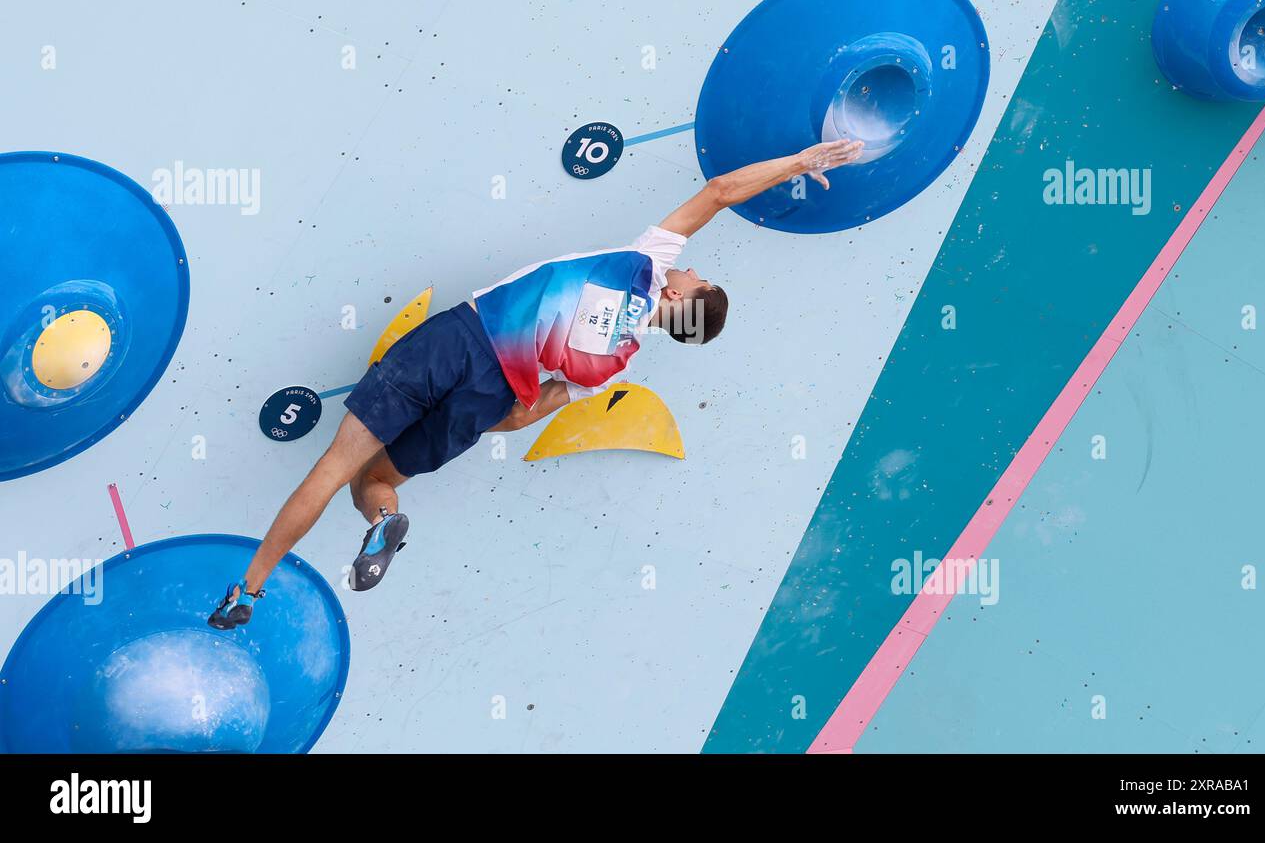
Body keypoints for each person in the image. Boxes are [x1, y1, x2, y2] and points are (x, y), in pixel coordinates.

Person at [208, 138, 863, 628]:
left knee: (330, 471)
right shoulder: (617, 360)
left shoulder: (643, 262)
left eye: (699, 279)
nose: (691, 270)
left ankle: (250, 589)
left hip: (456, 342)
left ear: (688, 294)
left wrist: (802, 160)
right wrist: (481, 410)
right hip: (490, 397)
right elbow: (524, 418)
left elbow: (720, 190)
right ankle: (385, 520)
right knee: (371, 484)